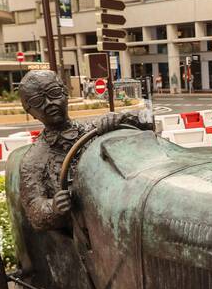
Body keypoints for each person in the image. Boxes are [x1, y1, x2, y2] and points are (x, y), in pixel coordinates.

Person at [17, 70, 151, 232]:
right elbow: (34, 210)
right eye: (38, 101)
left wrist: (123, 118)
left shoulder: (96, 128)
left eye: (53, 93)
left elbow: (148, 123)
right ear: (29, 111)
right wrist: (53, 207)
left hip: (121, 216)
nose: (49, 103)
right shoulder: (33, 160)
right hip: (81, 235)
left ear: (66, 94)